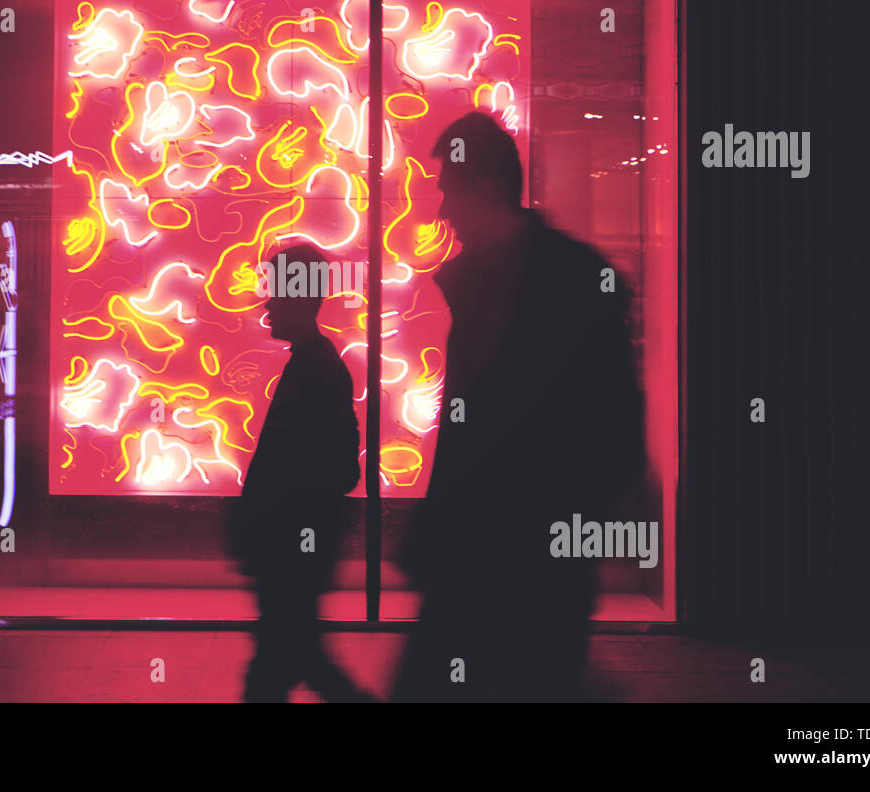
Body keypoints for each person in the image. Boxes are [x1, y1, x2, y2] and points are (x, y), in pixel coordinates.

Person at [391, 111, 648, 702]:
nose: (441, 213)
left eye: (448, 193)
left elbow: (607, 435)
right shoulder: (553, 280)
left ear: (482, 189)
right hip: (508, 566)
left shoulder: (560, 286)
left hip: (509, 570)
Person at [229, 243, 375, 702]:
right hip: (294, 549)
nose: (266, 302)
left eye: (274, 290)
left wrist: (274, 526)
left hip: (288, 550)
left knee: (283, 665)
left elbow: (323, 466)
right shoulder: (317, 364)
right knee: (297, 660)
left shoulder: (315, 369)